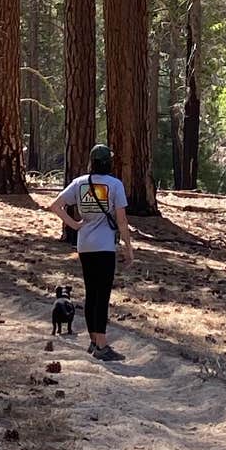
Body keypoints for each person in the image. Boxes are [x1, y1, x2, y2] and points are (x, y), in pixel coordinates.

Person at [55, 145, 133, 360]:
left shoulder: (80, 183)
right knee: (102, 295)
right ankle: (102, 345)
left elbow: (56, 206)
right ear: (108, 162)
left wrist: (75, 225)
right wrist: (128, 247)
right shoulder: (115, 185)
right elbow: (122, 220)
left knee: (91, 294)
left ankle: (93, 340)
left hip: (85, 246)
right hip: (105, 247)